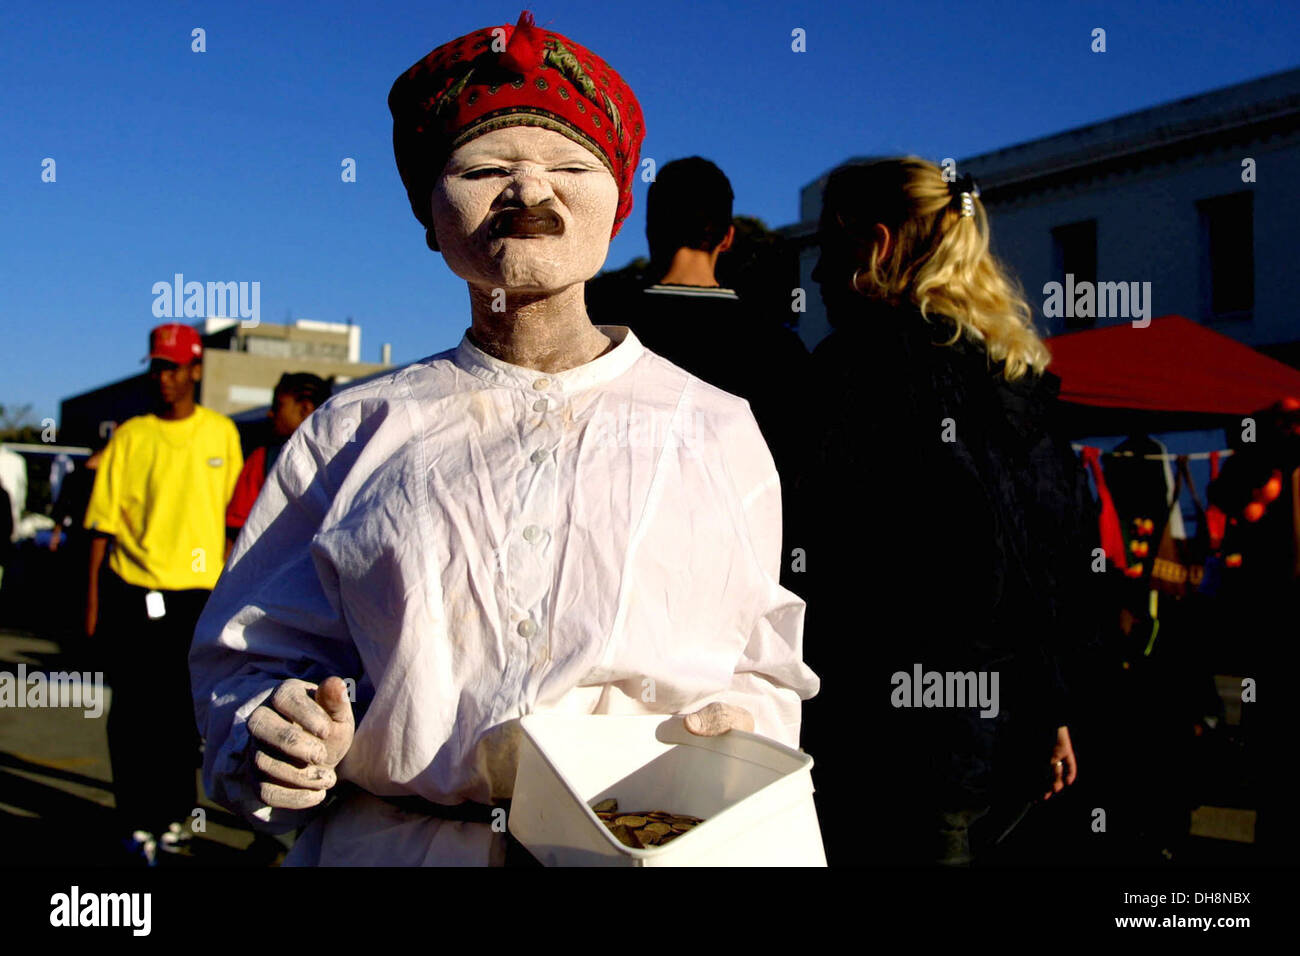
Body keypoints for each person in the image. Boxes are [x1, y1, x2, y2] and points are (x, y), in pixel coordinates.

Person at [191, 10, 818, 867]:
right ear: (428, 213)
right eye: (485, 169)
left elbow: (764, 660)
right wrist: (272, 730)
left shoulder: (713, 426)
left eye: (569, 166)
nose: (530, 192)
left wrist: (743, 730)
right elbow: (250, 652)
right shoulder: (356, 429)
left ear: (618, 209)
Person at [802, 158, 1102, 866]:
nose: (815, 277)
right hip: (1006, 734)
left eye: (826, 248)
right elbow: (1056, 567)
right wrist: (1053, 707)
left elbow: (815, 562)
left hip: (885, 743)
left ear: (875, 246)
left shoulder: (857, 373)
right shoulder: (1019, 378)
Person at [84, 322, 243, 863]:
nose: (165, 378)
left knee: (181, 717)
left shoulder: (221, 434)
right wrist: (92, 612)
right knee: (132, 715)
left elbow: (233, 526)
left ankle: (175, 815)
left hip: (196, 599)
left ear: (196, 370)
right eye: (158, 368)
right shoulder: (131, 436)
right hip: (135, 592)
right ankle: (134, 820)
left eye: (174, 368)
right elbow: (101, 531)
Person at [225, 372, 332, 559]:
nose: (270, 413)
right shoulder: (263, 458)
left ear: (305, 409)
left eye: (278, 406)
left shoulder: (345, 458)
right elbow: (236, 530)